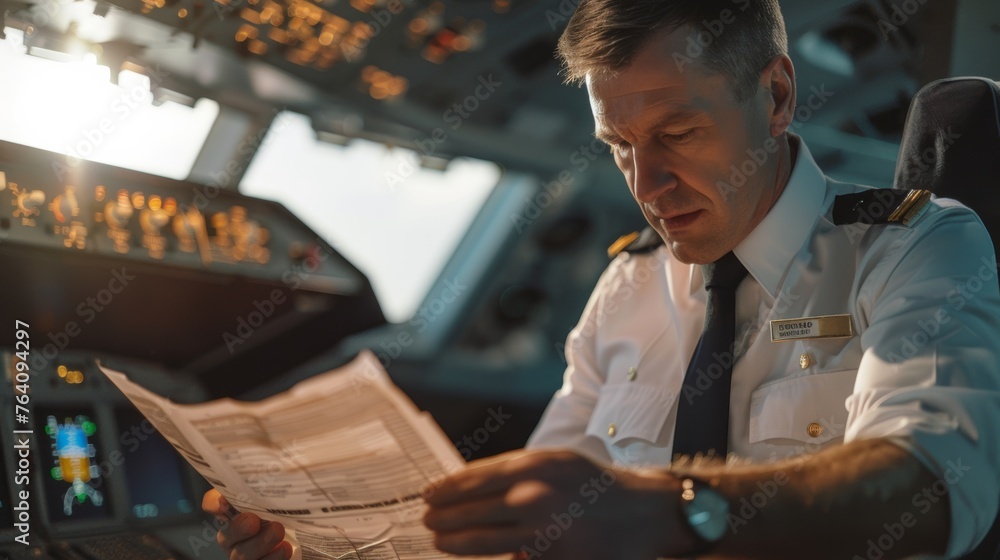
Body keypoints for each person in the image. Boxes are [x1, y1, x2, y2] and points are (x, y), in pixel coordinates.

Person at [204, 1, 1000, 558]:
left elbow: (931, 481)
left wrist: (672, 513)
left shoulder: (915, 246)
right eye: (618, 145)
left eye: (676, 133)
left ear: (778, 95)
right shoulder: (626, 290)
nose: (646, 184)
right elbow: (528, 542)